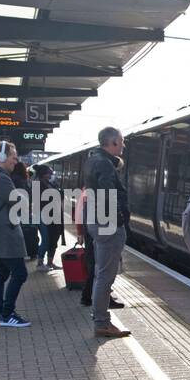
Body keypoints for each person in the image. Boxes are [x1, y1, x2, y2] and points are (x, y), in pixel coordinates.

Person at [82, 127, 129, 337]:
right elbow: (108, 195)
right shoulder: (104, 163)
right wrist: (118, 220)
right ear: (113, 142)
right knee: (105, 276)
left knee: (101, 273)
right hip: (107, 225)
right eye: (122, 141)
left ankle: (100, 319)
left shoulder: (93, 160)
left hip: (97, 222)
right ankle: (102, 322)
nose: (123, 145)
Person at [0, 141, 30, 328]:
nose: (16, 160)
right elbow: (17, 201)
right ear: (2, 156)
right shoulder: (0, 178)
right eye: (13, 156)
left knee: (0, 273)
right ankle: (7, 314)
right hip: (6, 233)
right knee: (20, 273)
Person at [32, 164, 64, 271]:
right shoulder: (37, 184)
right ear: (43, 174)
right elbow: (42, 201)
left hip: (53, 215)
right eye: (50, 173)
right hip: (42, 215)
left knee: (53, 238)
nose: (51, 175)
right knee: (46, 239)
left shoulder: (49, 183)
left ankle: (50, 263)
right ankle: (40, 263)